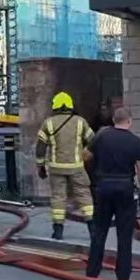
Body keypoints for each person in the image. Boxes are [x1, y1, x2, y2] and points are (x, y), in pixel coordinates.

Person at [86, 107, 140, 280]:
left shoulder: (101, 137)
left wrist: (95, 175)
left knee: (99, 232)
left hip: (104, 186)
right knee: (124, 235)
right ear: (129, 121)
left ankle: (92, 272)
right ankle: (123, 276)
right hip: (125, 188)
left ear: (113, 120)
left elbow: (85, 156)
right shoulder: (135, 141)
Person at [35, 91, 95, 240]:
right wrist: (86, 154)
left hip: (56, 168)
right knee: (84, 195)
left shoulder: (48, 123)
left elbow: (40, 147)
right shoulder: (80, 122)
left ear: (54, 106)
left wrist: (41, 167)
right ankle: (93, 229)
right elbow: (93, 141)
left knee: (58, 198)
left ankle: (58, 231)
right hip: (76, 167)